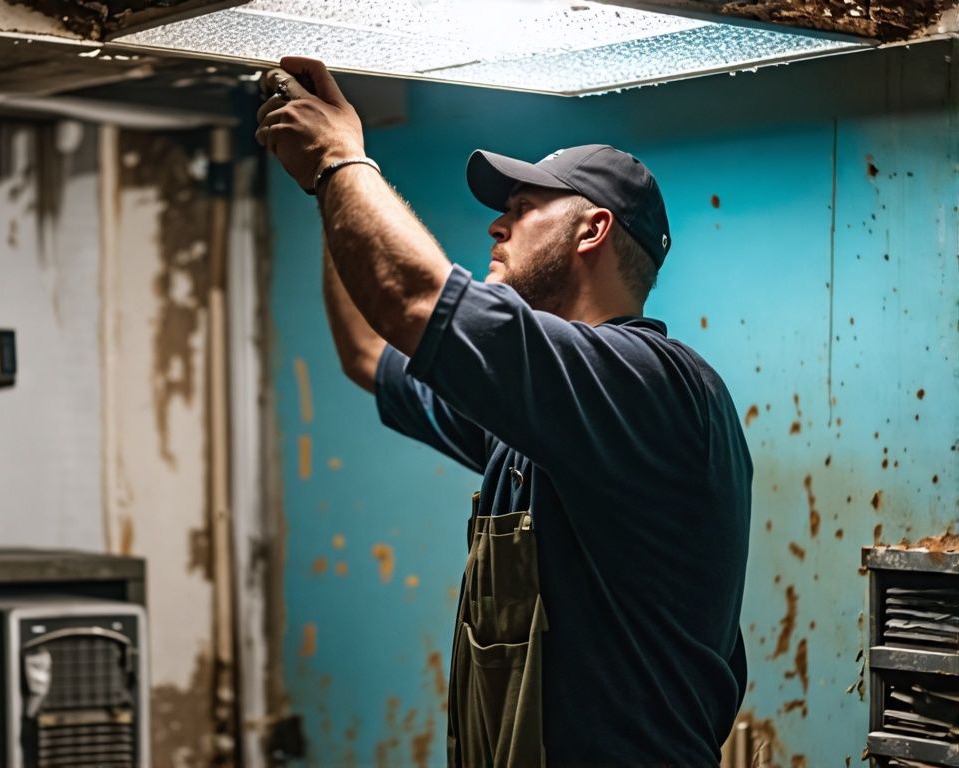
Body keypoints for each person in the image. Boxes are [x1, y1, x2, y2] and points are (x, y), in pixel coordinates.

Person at [255, 57, 752, 767]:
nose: (497, 225)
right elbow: (369, 349)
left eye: (522, 210)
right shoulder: (546, 409)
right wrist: (323, 192)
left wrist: (342, 160)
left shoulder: (646, 384)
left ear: (592, 231)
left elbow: (411, 300)